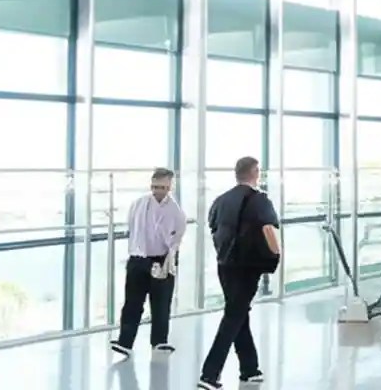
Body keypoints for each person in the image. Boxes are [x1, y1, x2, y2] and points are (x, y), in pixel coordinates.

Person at [197, 157, 281, 390]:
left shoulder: (220, 200)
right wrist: (277, 254)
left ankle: (249, 369)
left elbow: (214, 228)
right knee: (234, 315)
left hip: (224, 264)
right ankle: (209, 374)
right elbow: (268, 228)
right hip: (247, 267)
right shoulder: (259, 200)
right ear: (255, 172)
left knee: (238, 312)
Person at [110, 167, 186, 359]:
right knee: (132, 302)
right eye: (154, 186)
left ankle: (159, 341)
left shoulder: (175, 211)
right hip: (138, 258)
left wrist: (169, 262)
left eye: (162, 187)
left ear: (170, 186)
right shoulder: (138, 204)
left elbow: (176, 238)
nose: (158, 191)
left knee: (161, 302)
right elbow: (132, 228)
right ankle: (125, 341)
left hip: (162, 259)